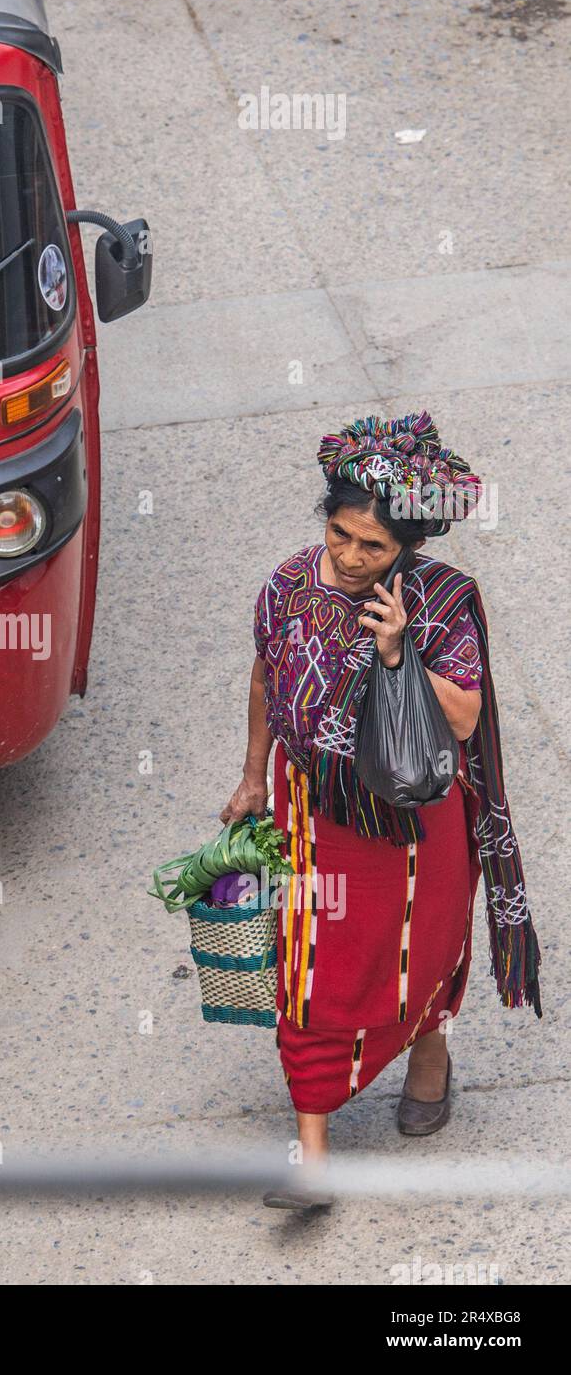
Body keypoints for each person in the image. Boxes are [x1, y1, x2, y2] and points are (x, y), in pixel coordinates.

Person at [221, 412, 542, 1211]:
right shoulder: (288, 584)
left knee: (418, 952)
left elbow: (463, 719)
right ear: (324, 520)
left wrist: (401, 651)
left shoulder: (440, 601)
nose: (353, 557)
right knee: (309, 974)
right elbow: (266, 676)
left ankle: (428, 1052)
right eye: (341, 535)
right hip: (314, 812)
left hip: (410, 824)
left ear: (407, 547)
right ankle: (315, 1159)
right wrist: (253, 774)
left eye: (375, 547)